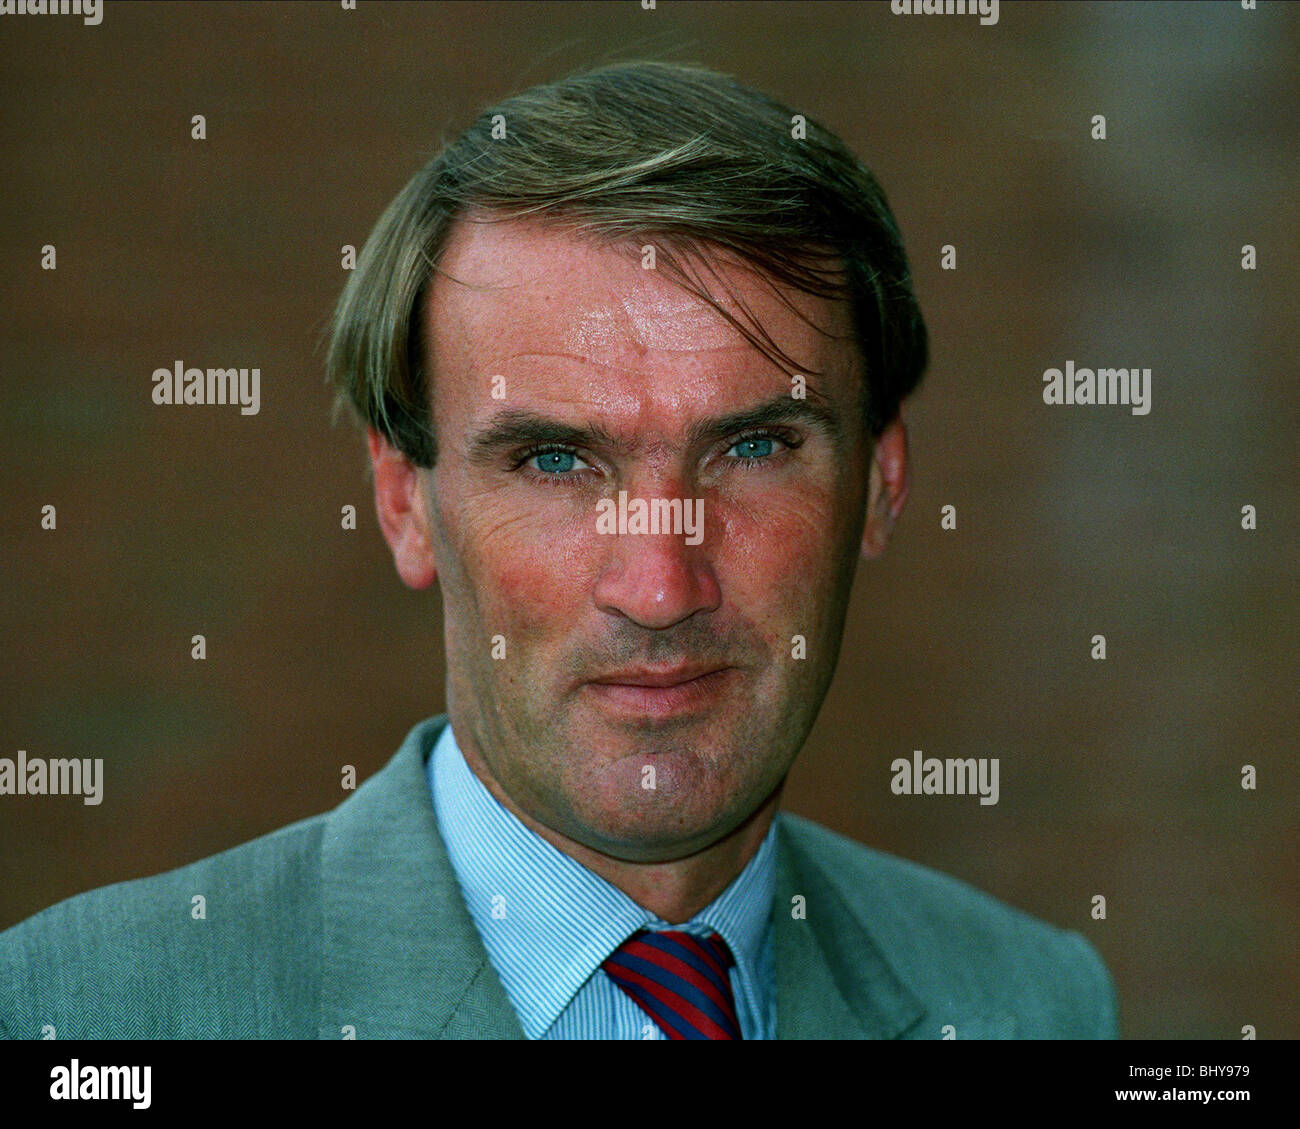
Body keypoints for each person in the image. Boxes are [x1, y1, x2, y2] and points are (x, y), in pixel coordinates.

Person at [0, 61, 1117, 1040]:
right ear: (404, 502)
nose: (660, 585)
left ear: (880, 484)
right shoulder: (83, 1012)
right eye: (553, 461)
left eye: (753, 446)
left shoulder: (1034, 1001)